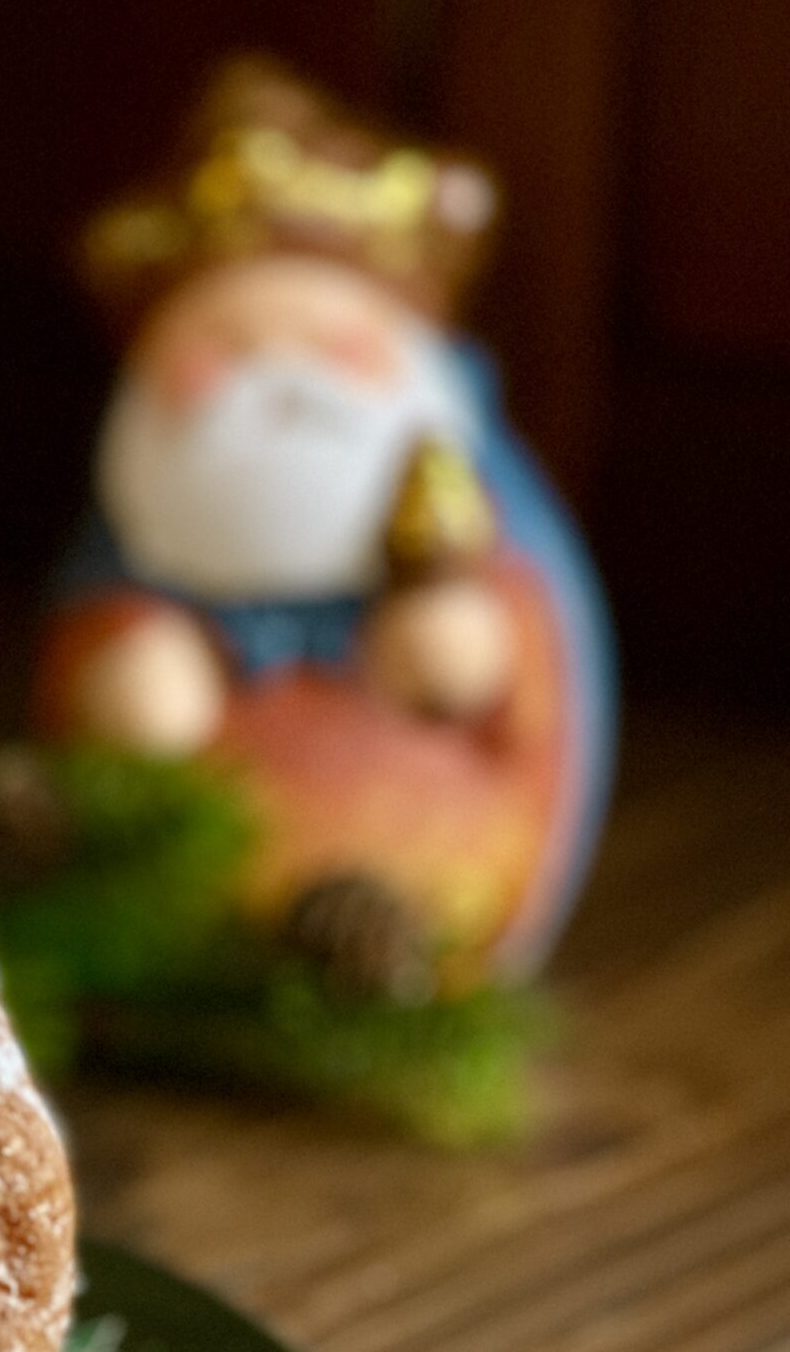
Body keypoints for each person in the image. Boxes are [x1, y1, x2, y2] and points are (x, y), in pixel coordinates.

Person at [41, 57, 614, 975]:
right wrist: (133, 658)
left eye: (329, 346)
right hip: (184, 880)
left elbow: (535, 659)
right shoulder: (144, 507)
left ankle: (379, 953)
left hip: (423, 852)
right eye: (227, 346)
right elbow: (95, 627)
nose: (280, 380)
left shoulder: (458, 484)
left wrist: (459, 635)